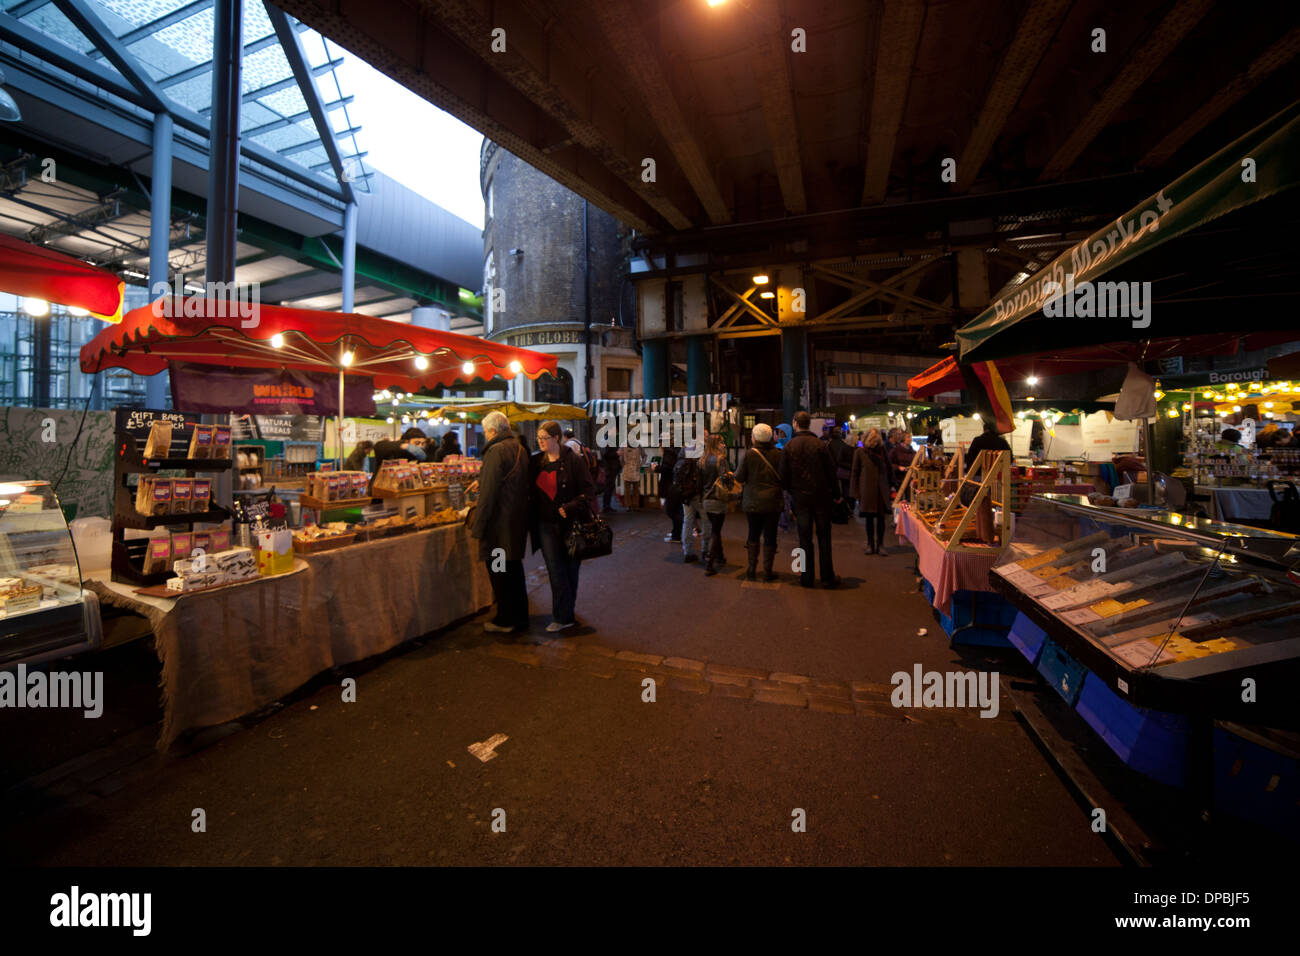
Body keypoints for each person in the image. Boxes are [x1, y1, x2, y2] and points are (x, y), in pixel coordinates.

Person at [530, 420, 597, 632]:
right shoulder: (536, 462)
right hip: (546, 524)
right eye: (539, 438)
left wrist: (569, 506)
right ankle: (562, 616)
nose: (540, 442)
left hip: (570, 524)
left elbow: (588, 492)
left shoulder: (573, 461)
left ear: (556, 438)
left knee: (570, 569)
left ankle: (566, 611)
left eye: (544, 438)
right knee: (555, 570)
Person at [469, 412, 531, 633]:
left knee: (500, 573)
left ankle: (505, 619)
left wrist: (479, 526)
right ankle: (521, 618)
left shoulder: (495, 451)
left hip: (498, 529)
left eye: (485, 432)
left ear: (493, 431)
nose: (485, 436)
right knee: (514, 572)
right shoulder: (519, 448)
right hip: (514, 522)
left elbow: (488, 494)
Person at [779, 410, 841, 588]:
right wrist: (837, 495)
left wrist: (792, 491)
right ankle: (827, 577)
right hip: (822, 497)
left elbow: (783, 476)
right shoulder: (820, 445)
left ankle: (805, 578)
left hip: (800, 498)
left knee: (803, 538)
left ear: (795, 423)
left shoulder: (789, 446)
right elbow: (831, 473)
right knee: (824, 537)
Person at [735, 423, 782, 580]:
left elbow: (739, 477)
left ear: (754, 438)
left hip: (753, 501)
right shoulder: (778, 454)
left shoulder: (749, 454)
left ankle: (751, 570)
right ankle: (768, 571)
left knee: (753, 534)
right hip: (773, 502)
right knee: (770, 536)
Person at [853, 428, 893, 555]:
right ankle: (870, 544)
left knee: (881, 519)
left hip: (880, 489)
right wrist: (855, 492)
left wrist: (893, 485)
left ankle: (880, 544)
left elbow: (889, 467)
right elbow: (855, 472)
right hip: (867, 489)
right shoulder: (860, 452)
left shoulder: (882, 451)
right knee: (869, 519)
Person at [698, 433, 732, 575]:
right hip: (718, 499)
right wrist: (730, 476)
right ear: (716, 445)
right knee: (716, 531)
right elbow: (725, 479)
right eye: (721, 443)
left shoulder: (702, 460)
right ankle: (710, 563)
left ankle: (720, 556)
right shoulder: (721, 459)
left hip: (706, 500)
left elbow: (699, 483)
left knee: (715, 529)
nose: (724, 445)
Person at [675, 439, 705, 563]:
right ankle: (706, 550)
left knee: (687, 522)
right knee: (706, 521)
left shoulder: (681, 455)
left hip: (684, 494)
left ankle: (687, 551)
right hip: (697, 494)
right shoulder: (698, 455)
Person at [658, 443, 682, 542]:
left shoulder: (669, 452)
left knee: (671, 510)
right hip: (675, 485)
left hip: (670, 486)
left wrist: (656, 468)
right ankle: (676, 532)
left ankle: (676, 535)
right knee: (675, 510)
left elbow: (667, 468)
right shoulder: (676, 450)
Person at [828, 427, 852, 501]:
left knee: (837, 488)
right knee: (845, 488)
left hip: (834, 470)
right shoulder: (844, 444)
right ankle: (846, 502)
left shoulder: (829, 444)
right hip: (843, 470)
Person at [619, 445, 645, 510]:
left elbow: (644, 455)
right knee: (627, 490)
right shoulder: (623, 446)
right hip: (627, 470)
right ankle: (628, 505)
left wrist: (640, 464)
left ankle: (635, 505)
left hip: (635, 470)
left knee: (636, 489)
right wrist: (623, 465)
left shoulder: (639, 446)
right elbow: (620, 457)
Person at [600, 445, 621, 512]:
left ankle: (607, 506)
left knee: (610, 487)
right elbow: (606, 455)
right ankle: (606, 506)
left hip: (612, 469)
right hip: (610, 469)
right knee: (608, 488)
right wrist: (617, 454)